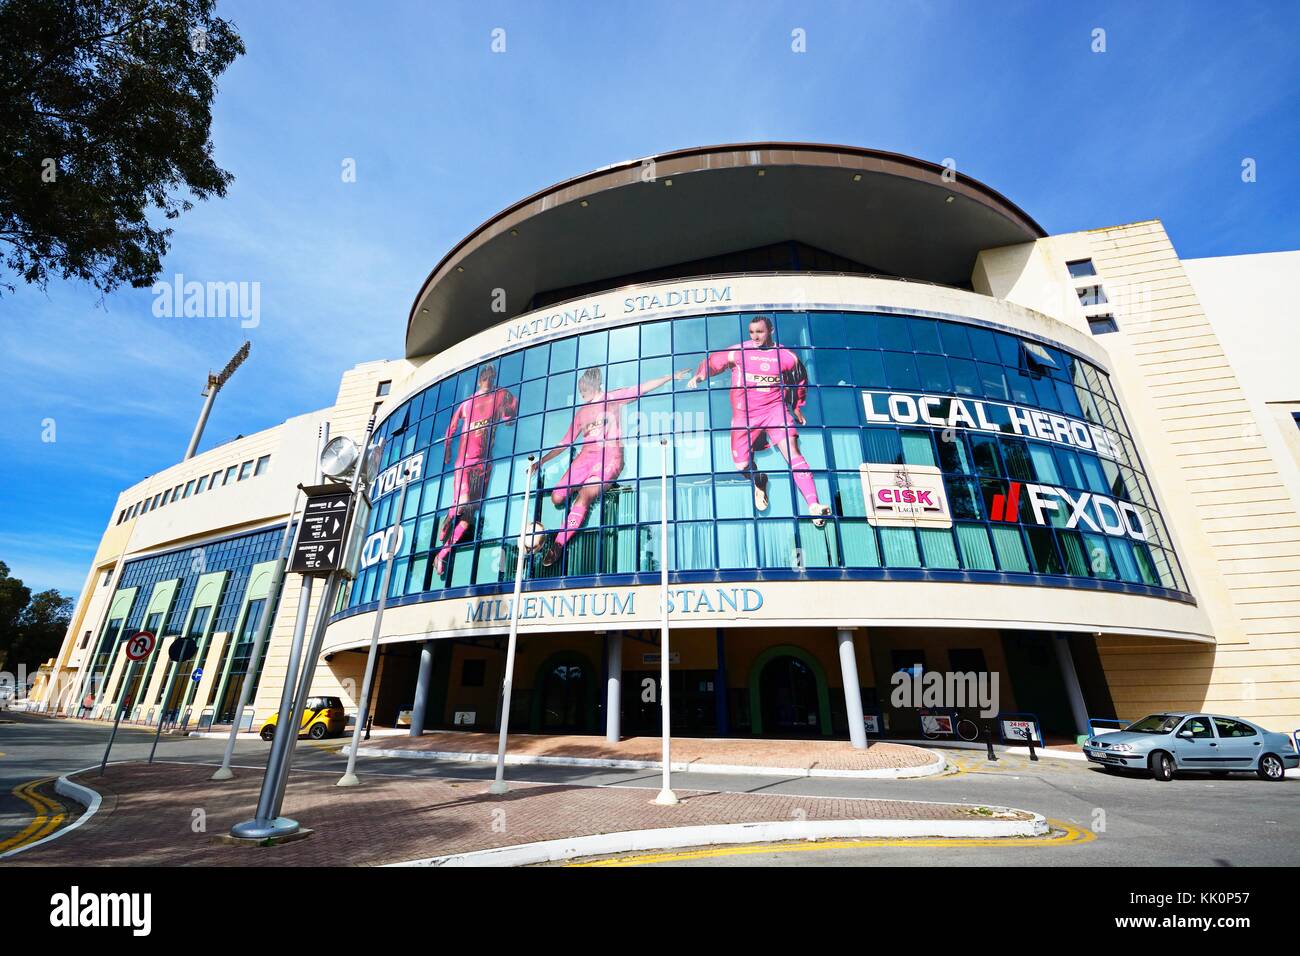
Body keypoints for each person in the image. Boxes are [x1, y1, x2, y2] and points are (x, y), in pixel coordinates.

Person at [534, 365, 691, 567]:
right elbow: (565, 442)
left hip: (609, 457)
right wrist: (542, 461)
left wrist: (671, 375)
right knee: (557, 497)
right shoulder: (581, 413)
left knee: (585, 495)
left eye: (584, 391)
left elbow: (640, 388)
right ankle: (578, 500)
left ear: (595, 386)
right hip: (585, 458)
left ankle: (559, 543)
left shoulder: (613, 398)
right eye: (580, 391)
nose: (581, 395)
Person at [688, 314, 831, 526]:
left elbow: (800, 380)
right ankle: (758, 480)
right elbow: (714, 362)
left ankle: (813, 505)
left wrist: (797, 407)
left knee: (793, 453)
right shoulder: (740, 352)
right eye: (752, 332)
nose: (755, 337)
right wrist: (700, 375)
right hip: (744, 416)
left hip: (775, 411)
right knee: (741, 464)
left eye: (760, 332)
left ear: (771, 331)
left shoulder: (787, 357)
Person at [435, 364, 519, 576]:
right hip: (464, 462)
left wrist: (509, 416)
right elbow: (451, 429)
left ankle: (442, 555)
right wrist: (447, 451)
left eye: (491, 378)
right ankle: (448, 519)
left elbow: (512, 408)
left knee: (469, 517)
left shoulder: (500, 394)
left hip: (485, 464)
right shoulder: (467, 403)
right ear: (480, 380)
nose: (488, 382)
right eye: (486, 378)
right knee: (463, 503)